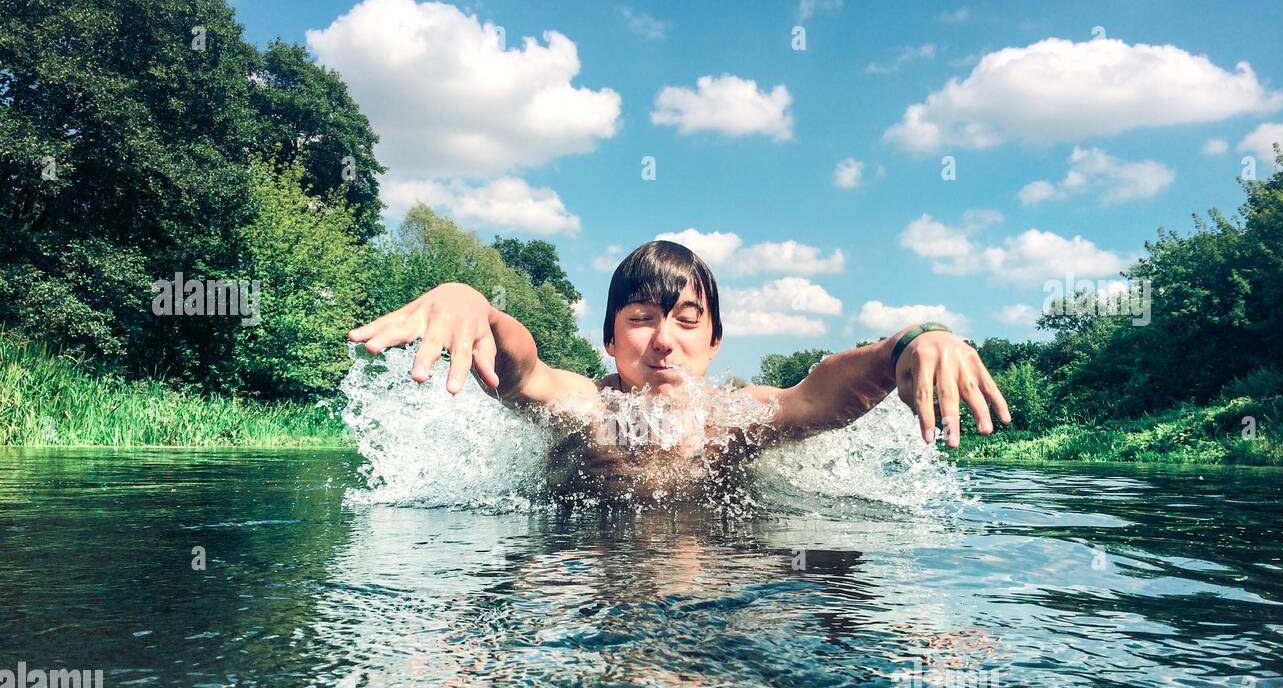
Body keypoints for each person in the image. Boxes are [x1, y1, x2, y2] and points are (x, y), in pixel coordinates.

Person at [348, 240, 1011, 498]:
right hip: (584, 591)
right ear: (609, 341)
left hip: (719, 594)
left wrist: (915, 342)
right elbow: (522, 372)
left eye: (687, 321)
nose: (664, 341)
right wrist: (474, 306)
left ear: (715, 341)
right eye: (640, 319)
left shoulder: (732, 418)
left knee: (833, 582)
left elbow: (823, 393)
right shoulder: (589, 406)